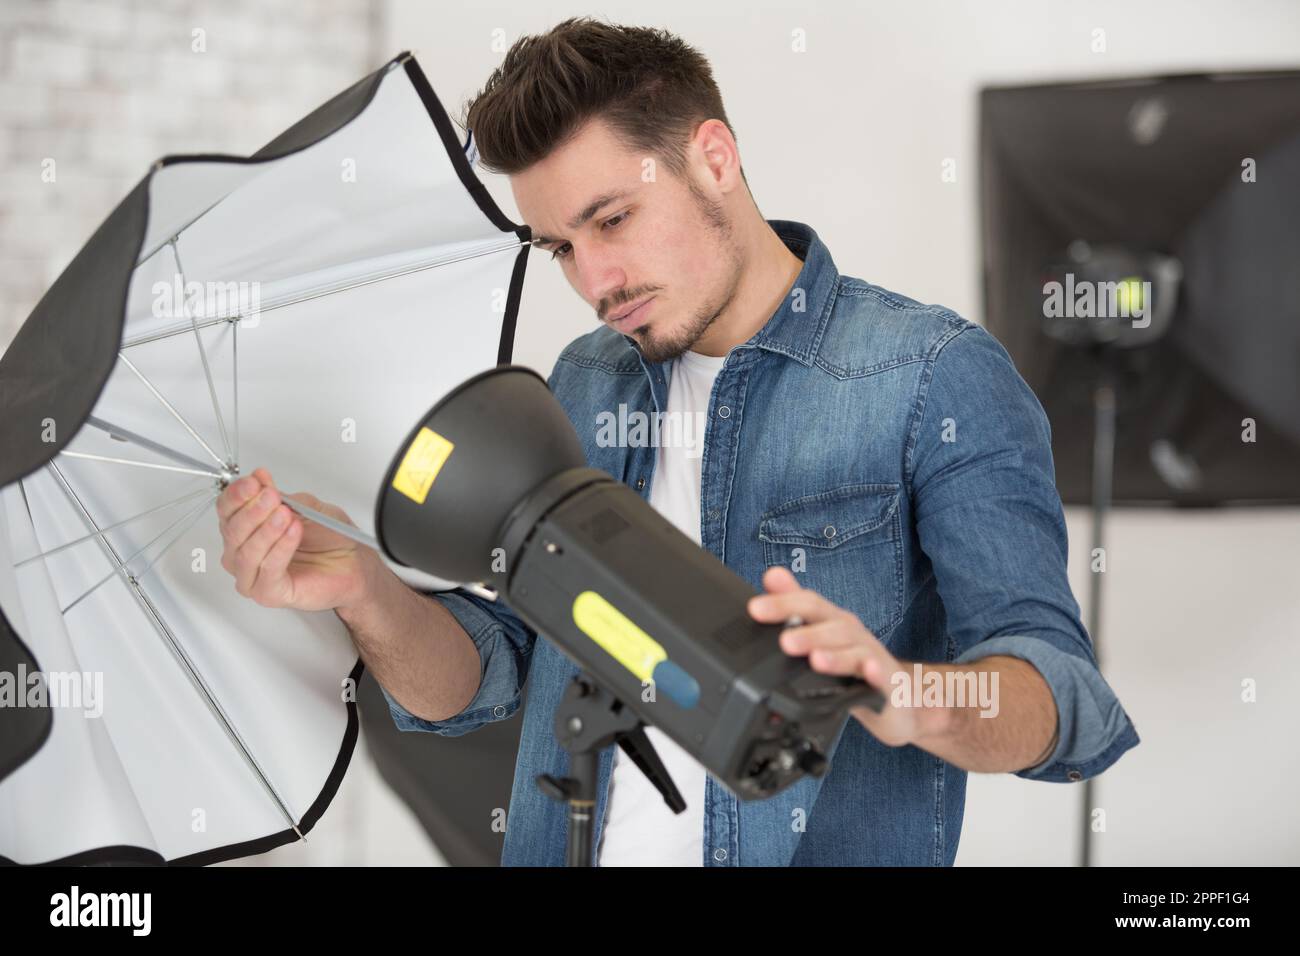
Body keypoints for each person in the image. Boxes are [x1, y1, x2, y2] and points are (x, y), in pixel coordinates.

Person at [216, 17, 1139, 866]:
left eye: (612, 219)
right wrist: (364, 589)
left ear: (714, 159)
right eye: (561, 248)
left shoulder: (933, 375)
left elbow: (1065, 702)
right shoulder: (582, 383)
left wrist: (902, 692)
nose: (596, 281)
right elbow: (488, 682)